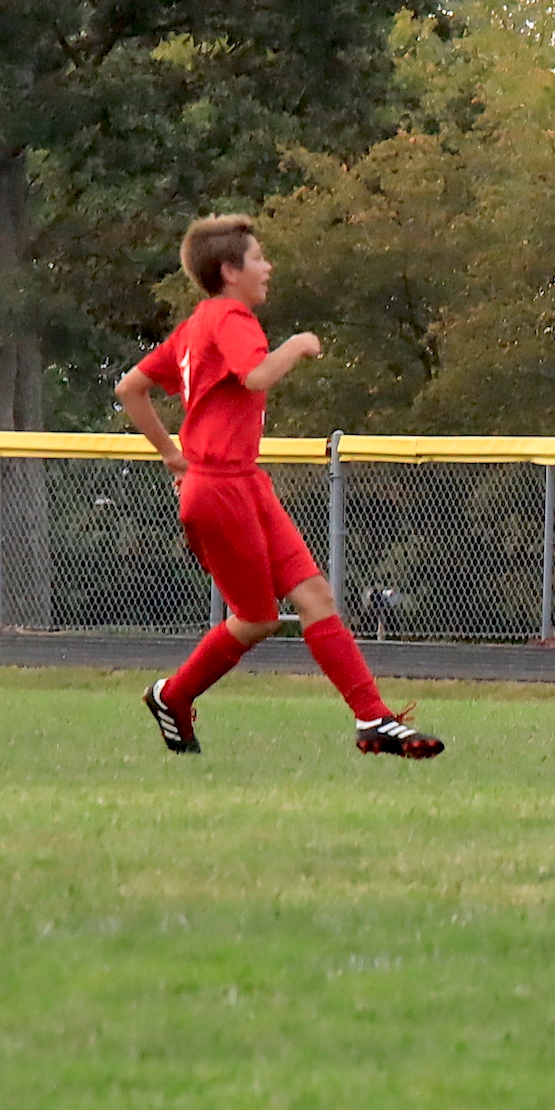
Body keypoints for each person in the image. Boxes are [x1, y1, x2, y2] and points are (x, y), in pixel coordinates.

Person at [116, 216, 442, 759]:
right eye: (259, 257)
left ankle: (374, 718)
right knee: (260, 617)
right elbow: (258, 376)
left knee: (313, 595)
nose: (267, 267)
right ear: (230, 270)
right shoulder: (232, 316)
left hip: (238, 482)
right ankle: (172, 696)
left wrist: (174, 456)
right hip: (221, 487)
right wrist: (297, 345)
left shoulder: (197, 324)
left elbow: (131, 388)